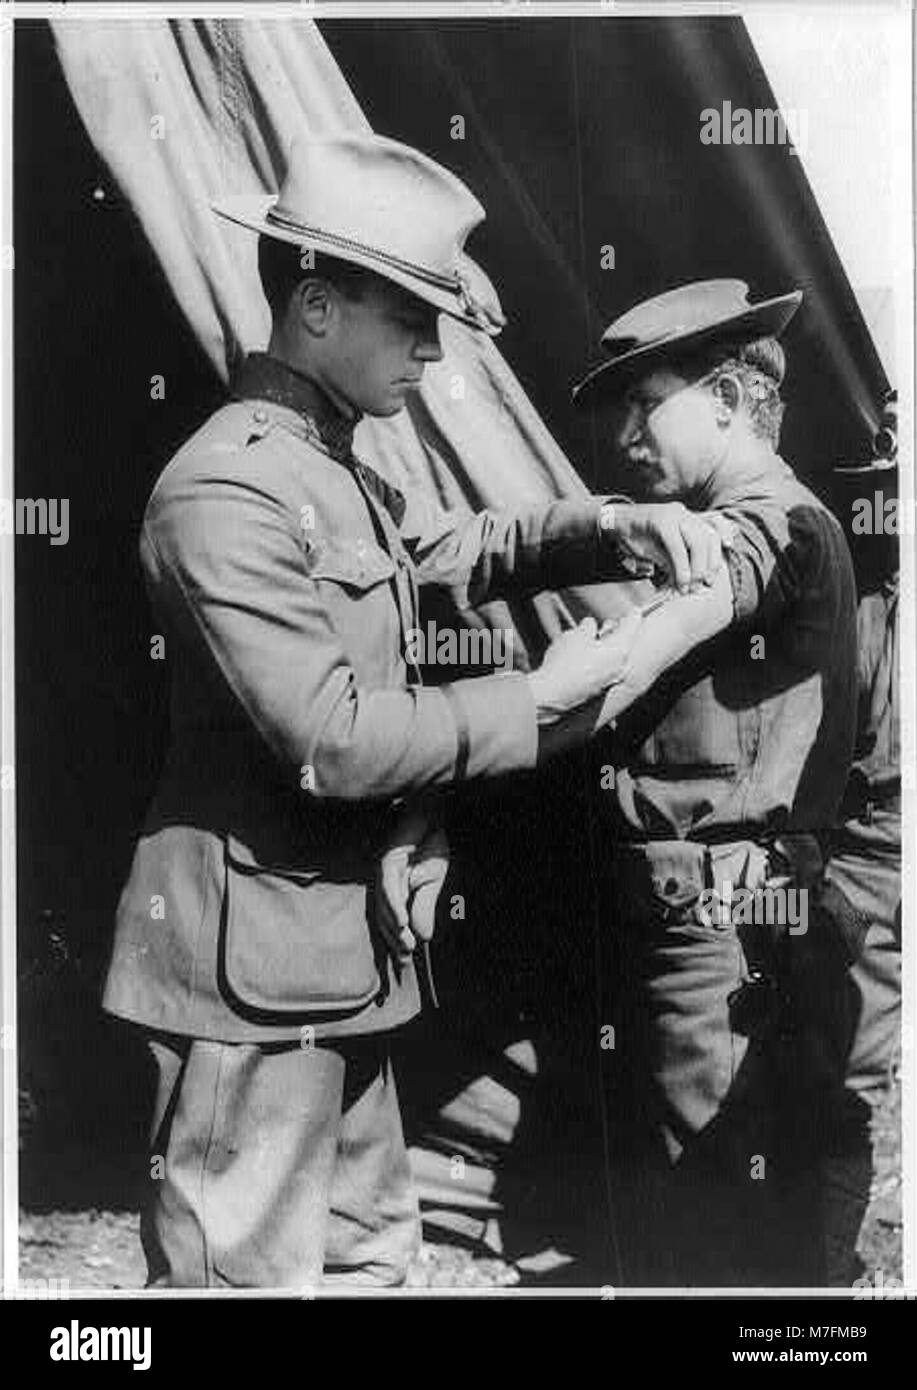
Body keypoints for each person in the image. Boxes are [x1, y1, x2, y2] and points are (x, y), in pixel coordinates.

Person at [103, 133, 731, 1288]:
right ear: (317, 306)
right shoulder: (224, 488)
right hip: (253, 985)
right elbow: (336, 741)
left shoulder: (331, 467)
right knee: (243, 1278)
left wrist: (606, 526)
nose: (434, 350)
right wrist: (535, 696)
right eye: (411, 321)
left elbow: (445, 548)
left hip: (340, 957)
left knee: (365, 1267)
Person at [571, 279, 860, 1285]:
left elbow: (668, 631)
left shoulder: (765, 523)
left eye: (642, 400)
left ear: (731, 404)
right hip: (717, 907)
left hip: (713, 916)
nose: (620, 429)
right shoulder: (759, 515)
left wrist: (577, 677)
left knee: (705, 1218)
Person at [798, 433, 901, 1286]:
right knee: (847, 1079)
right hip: (873, 859)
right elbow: (831, 755)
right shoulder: (864, 611)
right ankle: (822, 1275)